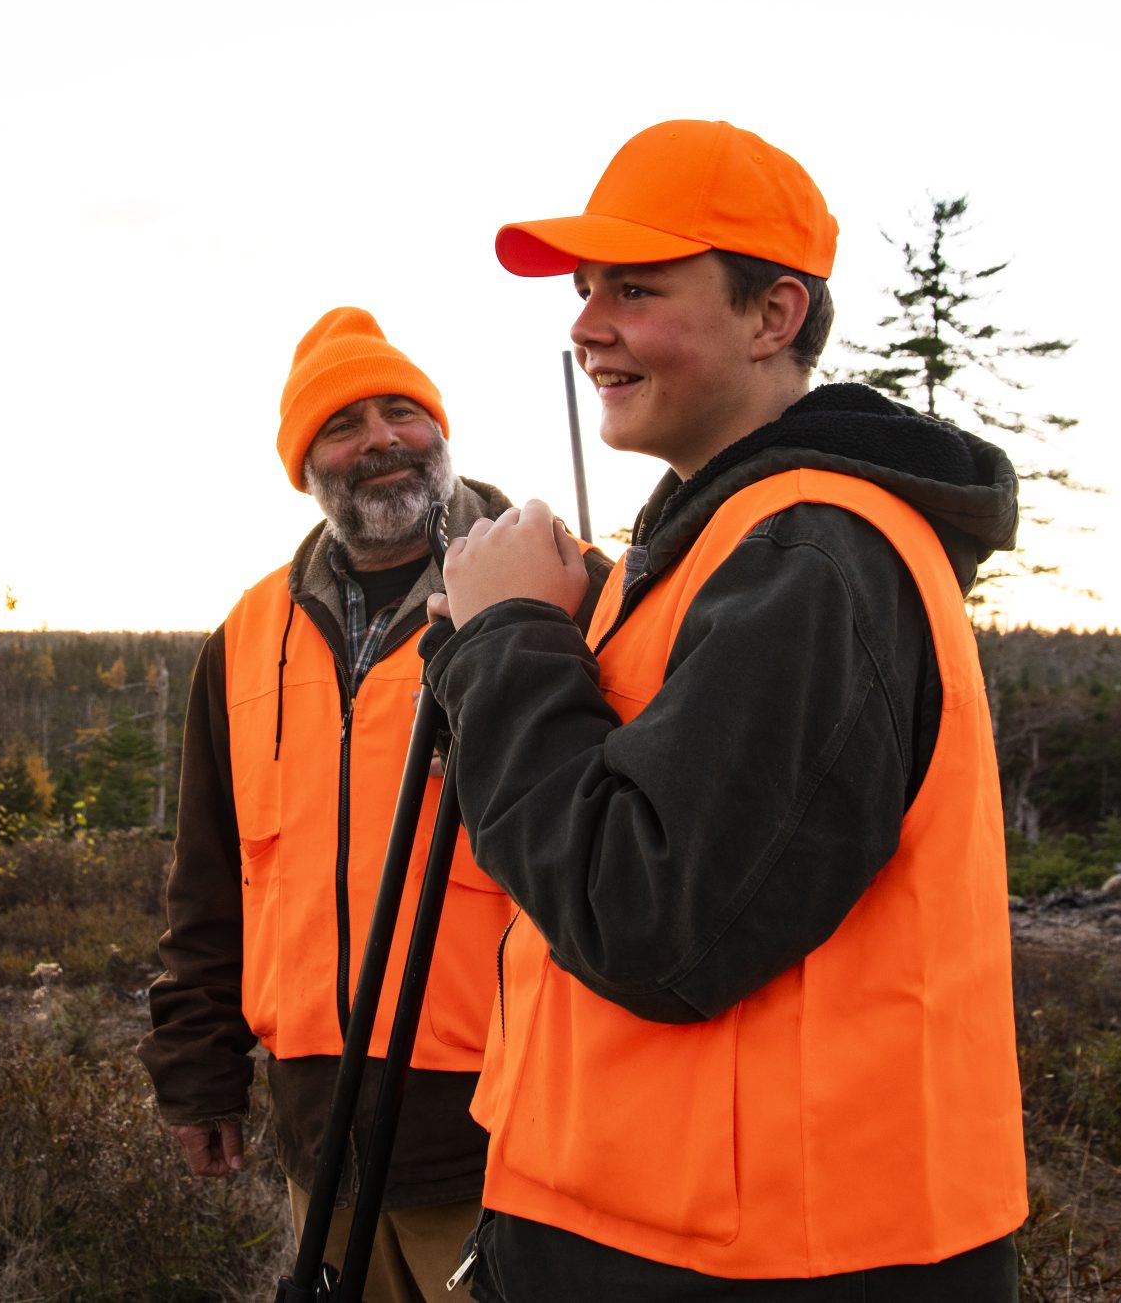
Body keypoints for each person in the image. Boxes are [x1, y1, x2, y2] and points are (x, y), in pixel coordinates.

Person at [419, 120, 1029, 1300]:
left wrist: (506, 641)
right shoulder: (721, 545)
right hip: (646, 1224)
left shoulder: (815, 553)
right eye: (587, 288)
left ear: (773, 315)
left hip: (763, 1257)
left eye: (635, 288)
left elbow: (647, 915)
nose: (587, 323)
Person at [139, 306, 607, 1303]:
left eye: (403, 410)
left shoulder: (559, 583)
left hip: (512, 1119)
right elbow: (212, 875)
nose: (382, 439)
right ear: (305, 462)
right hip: (319, 1130)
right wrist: (196, 1066)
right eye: (343, 425)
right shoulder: (249, 633)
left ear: (440, 430)